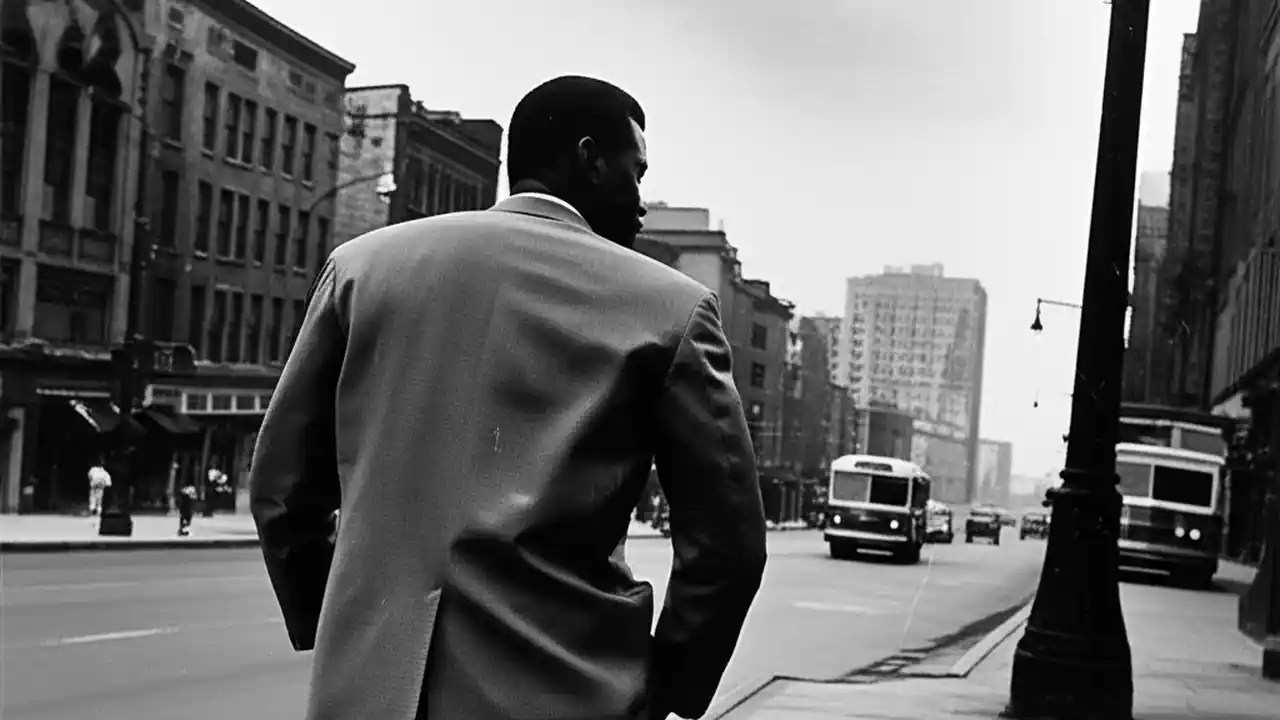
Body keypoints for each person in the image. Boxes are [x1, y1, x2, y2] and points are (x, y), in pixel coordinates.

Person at [250, 75, 767, 720]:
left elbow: (282, 490)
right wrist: (667, 689)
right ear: (587, 158)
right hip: (569, 693)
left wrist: (340, 620)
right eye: (634, 173)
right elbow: (729, 547)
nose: (640, 203)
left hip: (368, 694)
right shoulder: (673, 310)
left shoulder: (360, 270)